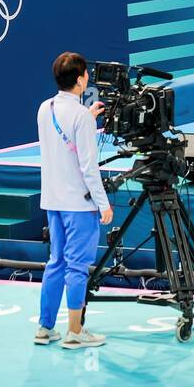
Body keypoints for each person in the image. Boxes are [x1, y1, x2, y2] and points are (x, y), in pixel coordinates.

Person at [34, 52, 112, 350]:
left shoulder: (45, 108)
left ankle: (45, 328)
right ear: (80, 80)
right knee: (77, 267)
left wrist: (87, 118)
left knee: (56, 262)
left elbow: (62, 141)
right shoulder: (80, 117)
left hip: (53, 200)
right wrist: (103, 204)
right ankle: (75, 331)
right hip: (79, 205)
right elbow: (88, 167)